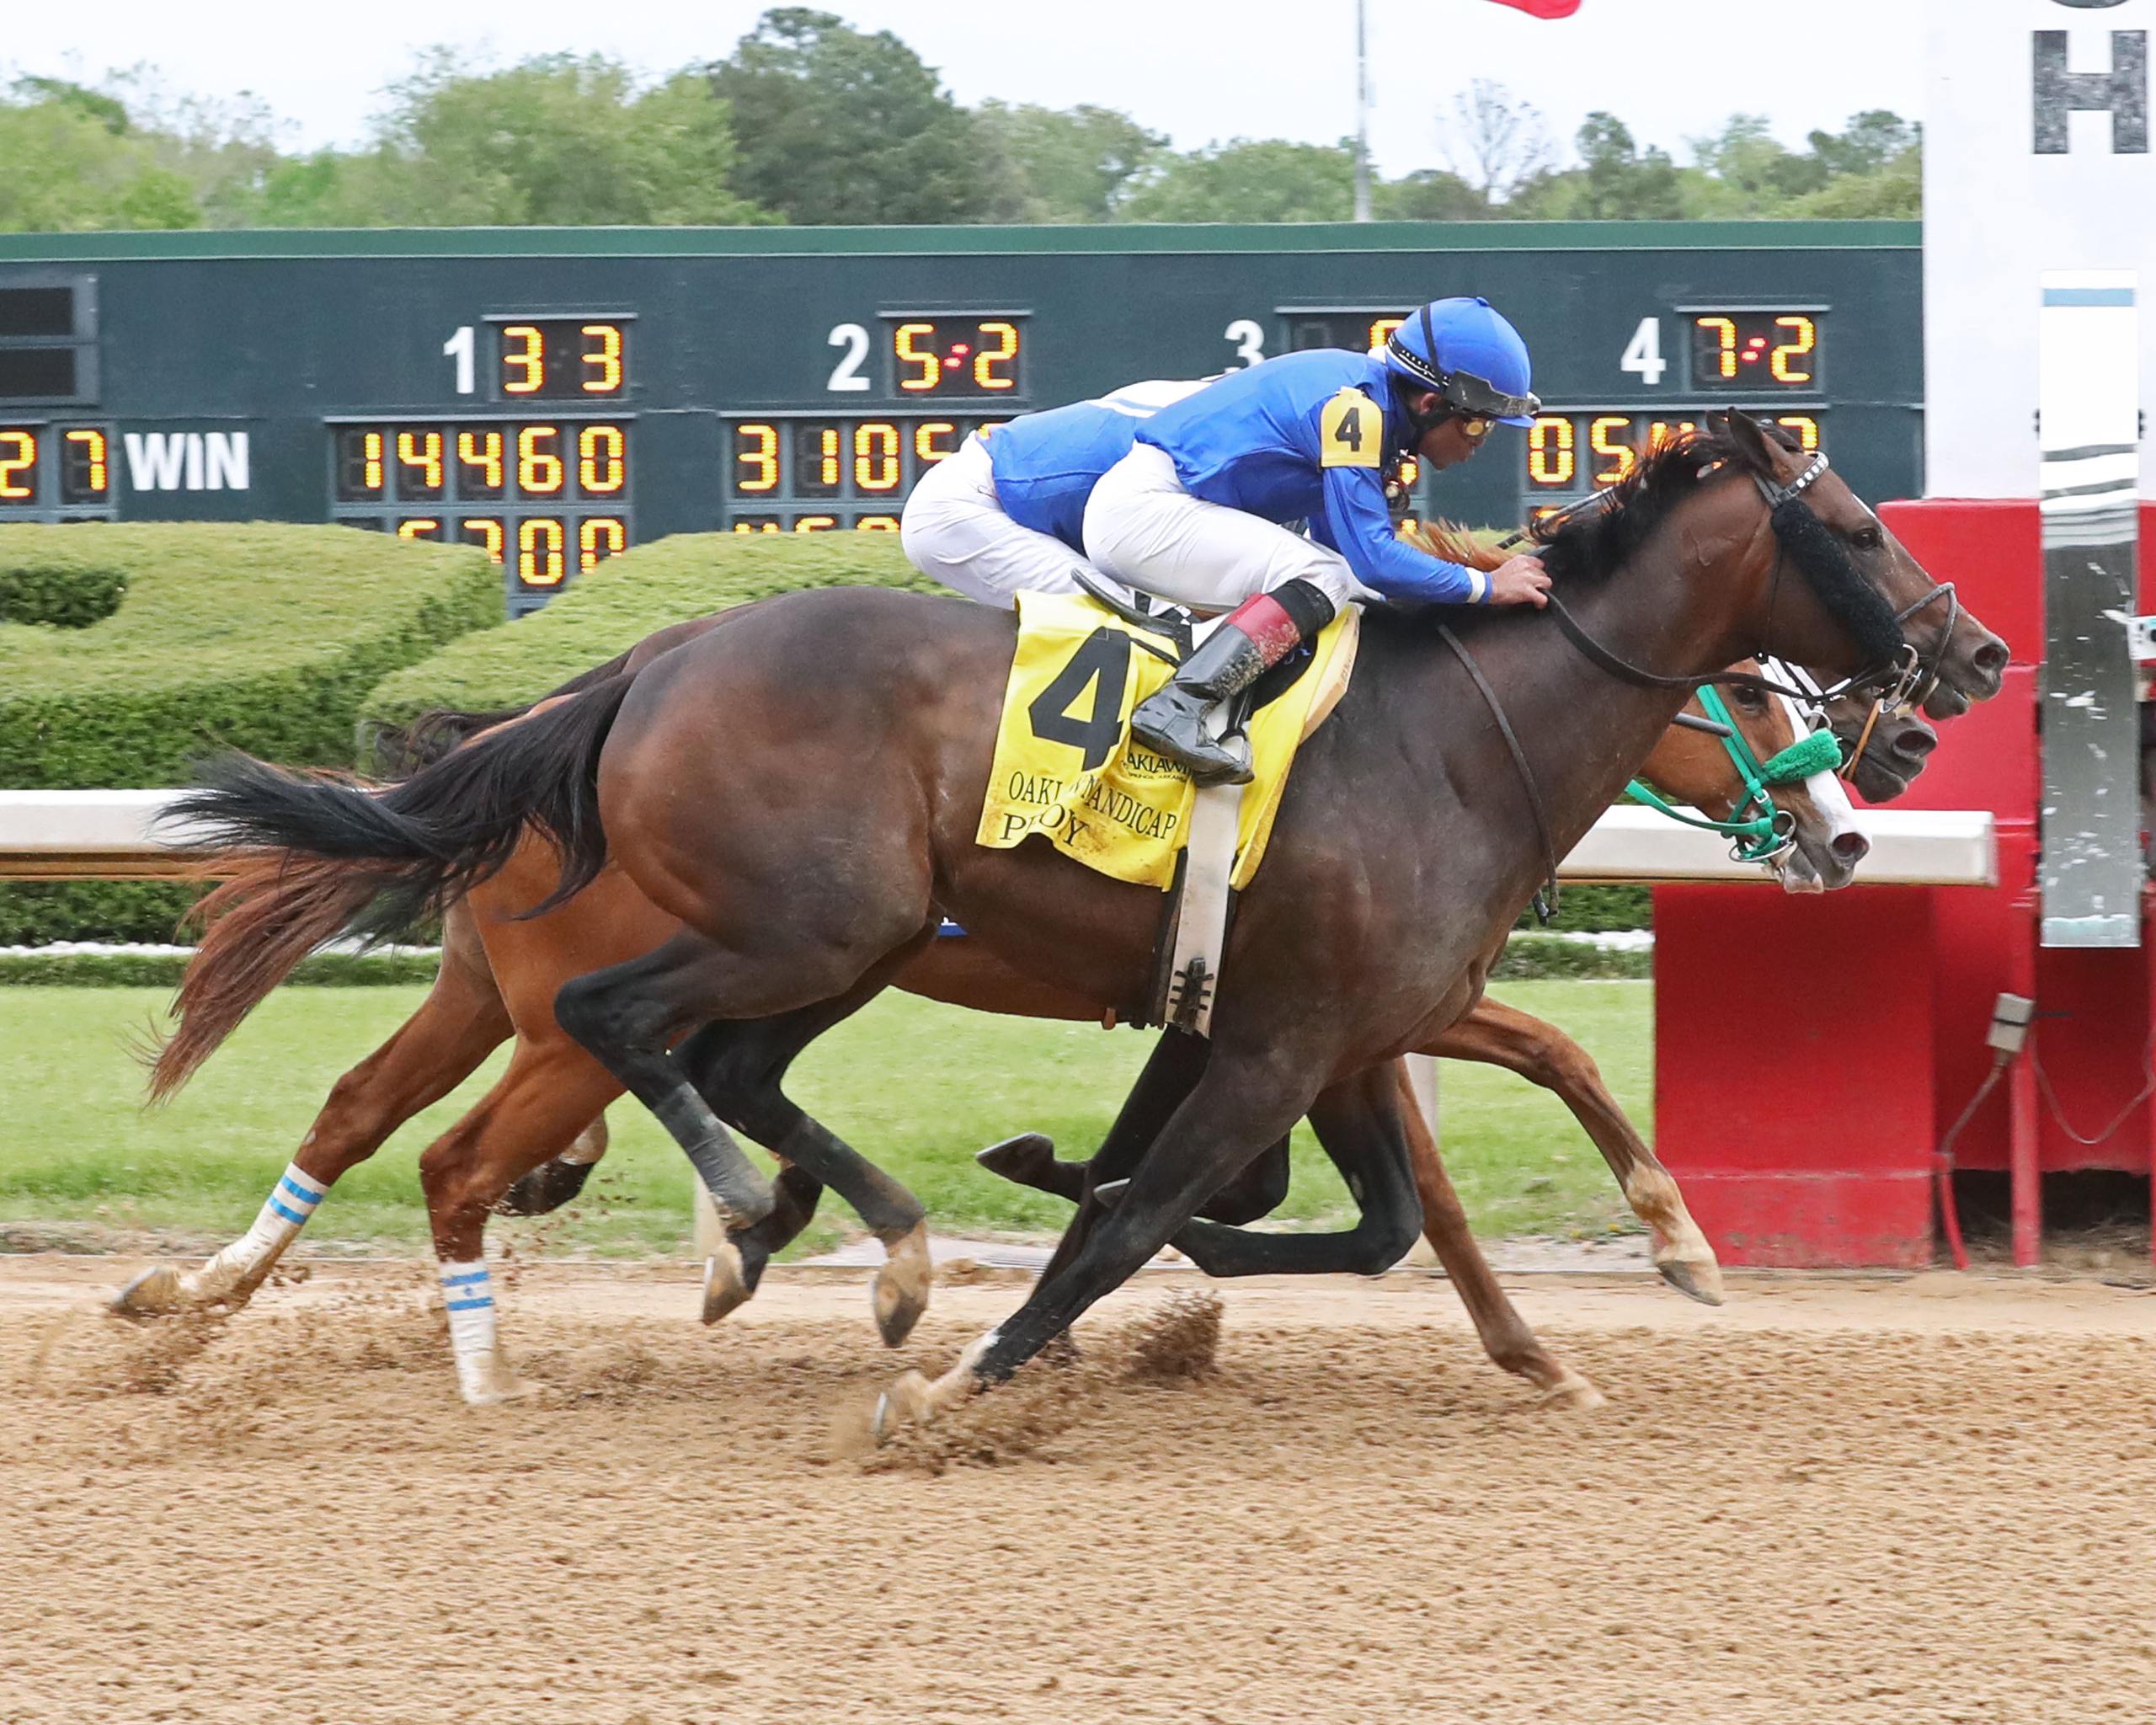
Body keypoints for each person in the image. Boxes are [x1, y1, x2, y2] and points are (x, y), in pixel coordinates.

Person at [1085, 296, 1555, 785]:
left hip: (1158, 510)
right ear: (1431, 404)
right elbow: (1374, 559)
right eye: (1477, 423)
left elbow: (1345, 552)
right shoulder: (1357, 410)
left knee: (1340, 581)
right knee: (1322, 577)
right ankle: (1179, 706)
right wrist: (1485, 586)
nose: (1479, 443)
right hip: (1145, 512)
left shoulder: (1368, 403)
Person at [899, 377, 1208, 608]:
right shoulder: (1197, 425)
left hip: (984, 496)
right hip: (966, 508)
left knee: (1159, 618)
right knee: (1137, 627)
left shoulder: (1196, 406)